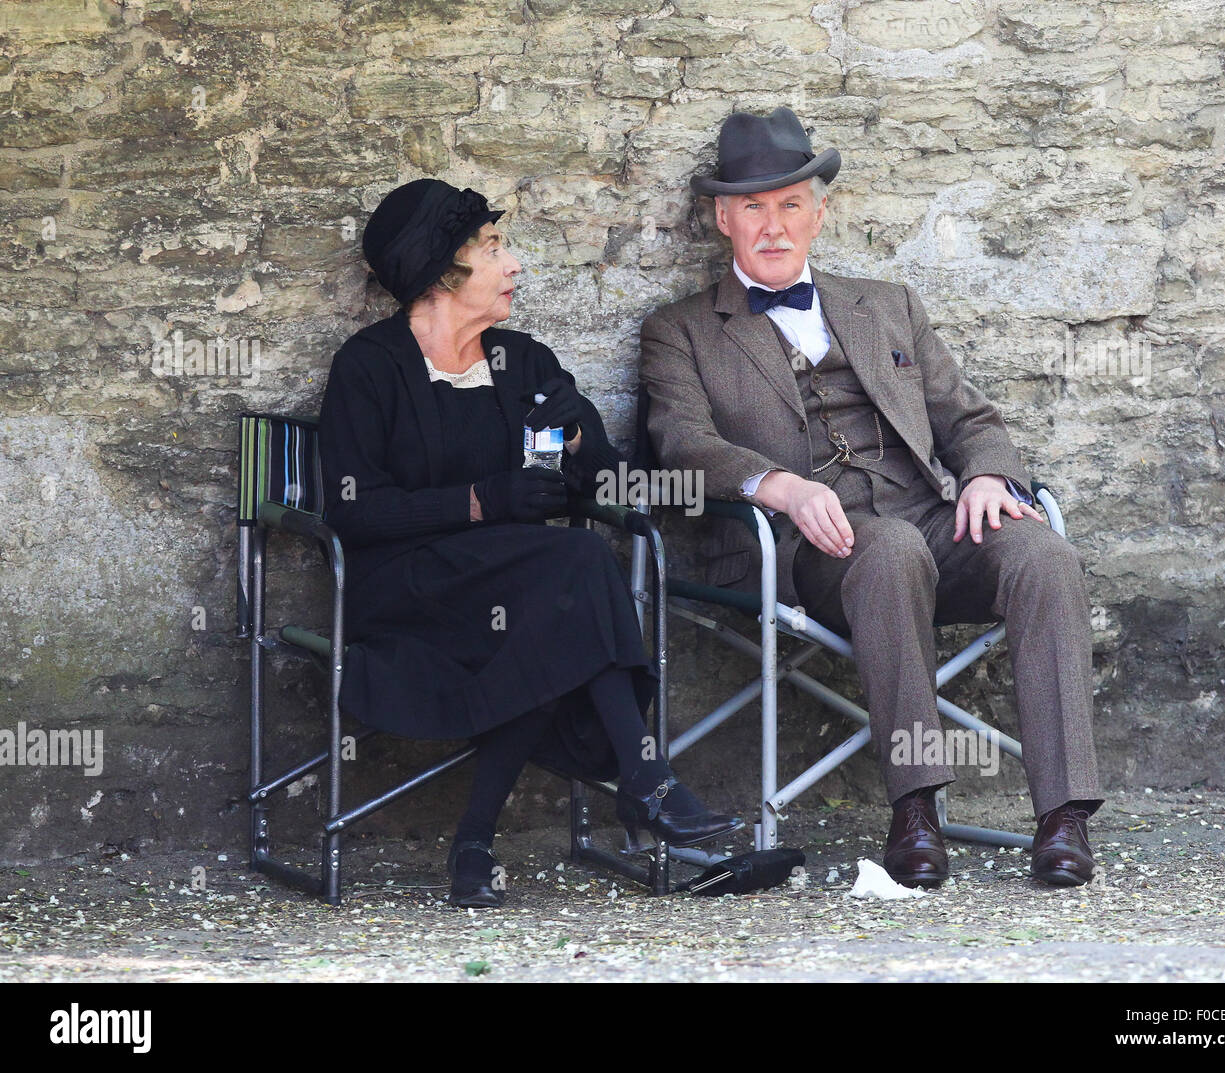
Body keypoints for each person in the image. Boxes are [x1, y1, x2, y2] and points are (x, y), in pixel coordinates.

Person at [639, 108, 1103, 888]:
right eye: (754, 206)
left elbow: (971, 419)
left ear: (820, 211)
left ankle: (1063, 817)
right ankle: (916, 809)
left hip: (927, 516)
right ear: (723, 217)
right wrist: (776, 485)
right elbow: (679, 443)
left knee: (1041, 553)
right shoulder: (680, 330)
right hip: (803, 548)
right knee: (887, 551)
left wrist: (987, 473)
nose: (774, 225)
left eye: (791, 204)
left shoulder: (889, 305)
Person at [318, 179, 741, 909]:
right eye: (492, 249)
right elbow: (356, 512)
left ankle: (477, 844)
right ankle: (643, 778)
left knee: (552, 610)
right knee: (569, 580)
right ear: (438, 273)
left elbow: (615, 493)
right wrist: (483, 501)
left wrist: (579, 437)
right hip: (409, 592)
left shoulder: (524, 362)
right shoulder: (369, 367)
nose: (513, 265)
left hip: (519, 593)